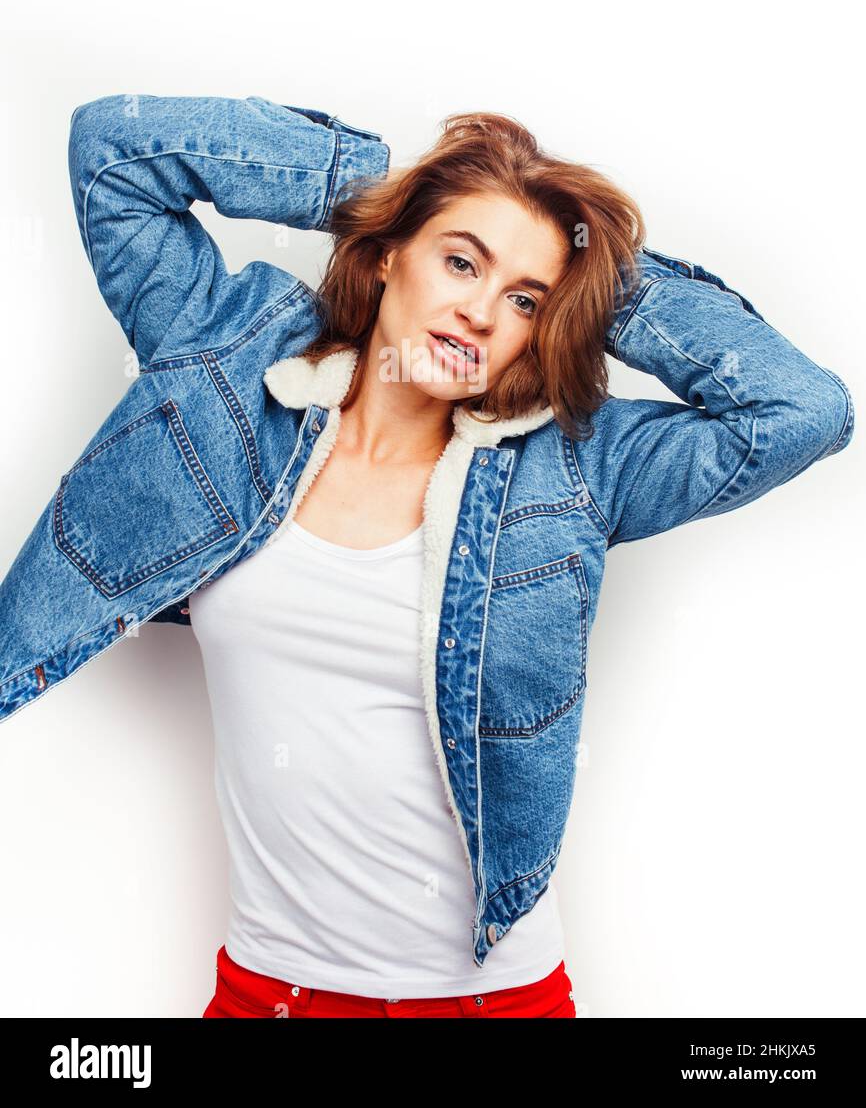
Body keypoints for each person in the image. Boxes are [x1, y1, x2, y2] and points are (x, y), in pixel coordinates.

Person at [0, 96, 853, 1018]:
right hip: (269, 995)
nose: (481, 311)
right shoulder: (232, 364)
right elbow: (113, 152)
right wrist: (388, 191)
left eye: (525, 298)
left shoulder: (576, 466)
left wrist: (597, 276)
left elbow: (803, 411)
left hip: (493, 1003)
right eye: (460, 261)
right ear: (386, 256)